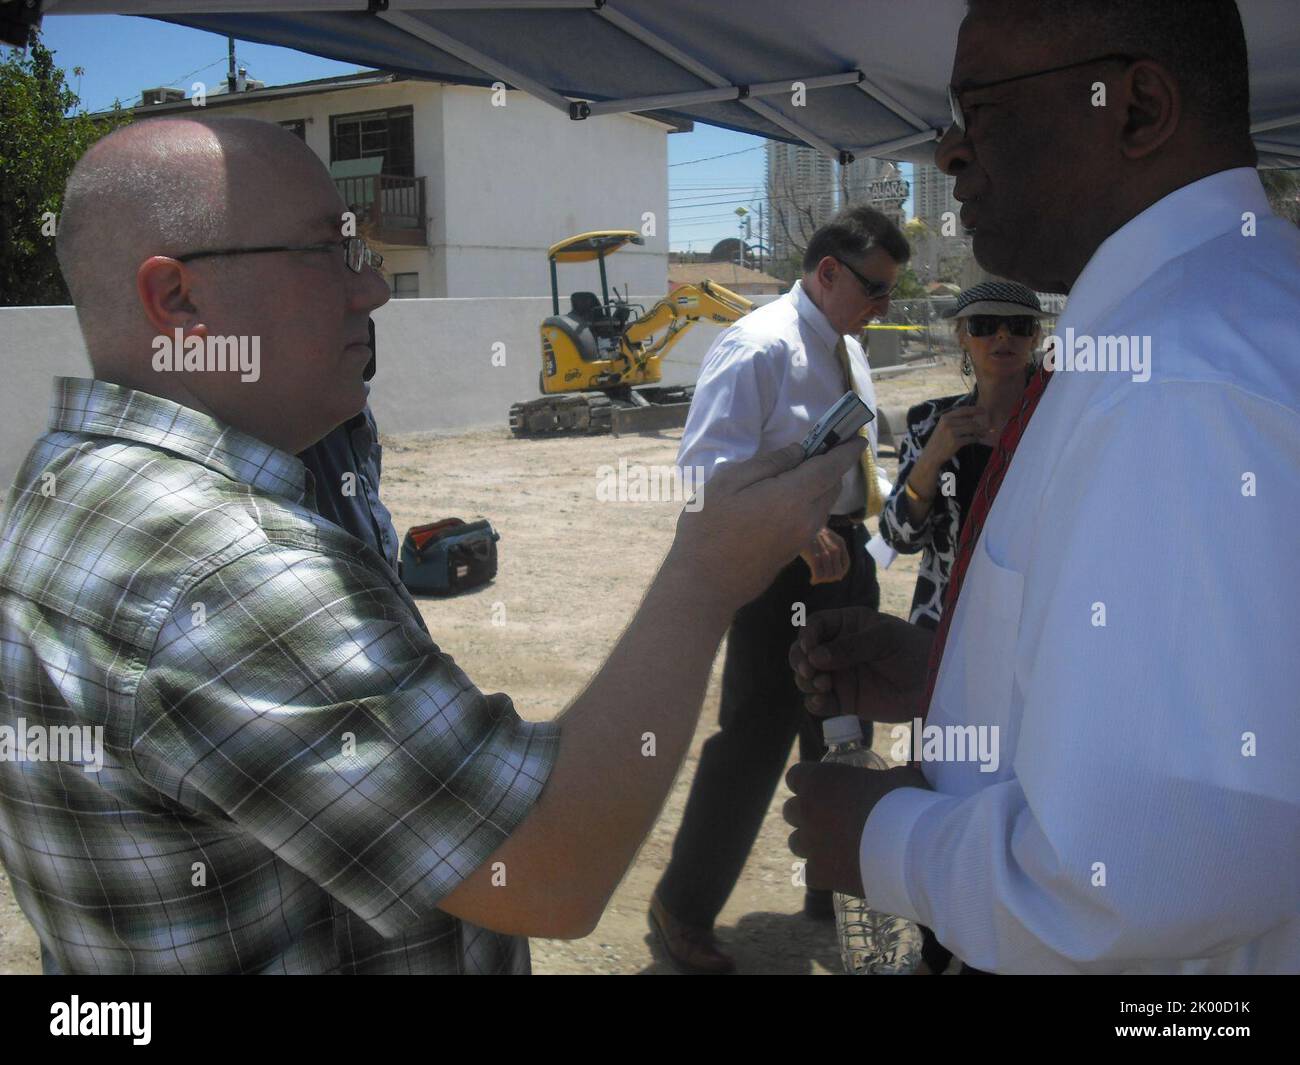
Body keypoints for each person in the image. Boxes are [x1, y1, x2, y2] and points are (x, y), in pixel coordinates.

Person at [0, 115, 865, 974]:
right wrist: (708, 574)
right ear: (179, 300)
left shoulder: (71, 490)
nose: (372, 289)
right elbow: (548, 869)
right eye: (329, 253)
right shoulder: (231, 569)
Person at [784, 0, 1300, 973]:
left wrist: (884, 840)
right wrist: (947, 674)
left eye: (979, 108)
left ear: (1137, 108)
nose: (947, 151)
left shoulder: (1180, 383)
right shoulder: (1191, 328)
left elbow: (1137, 873)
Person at [649, 207, 906, 973]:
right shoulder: (759, 346)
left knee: (845, 733)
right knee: (755, 741)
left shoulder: (846, 348)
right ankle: (682, 908)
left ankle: (835, 884)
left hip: (845, 562)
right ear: (826, 271)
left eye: (891, 292)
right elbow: (704, 472)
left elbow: (850, 455)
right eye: (874, 288)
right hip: (781, 572)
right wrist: (794, 530)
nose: (882, 306)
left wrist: (876, 530)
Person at [880, 281, 1046, 630]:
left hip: (1038, 622)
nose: (1002, 337)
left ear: (1035, 336)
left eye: (1018, 326)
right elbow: (899, 538)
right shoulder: (929, 423)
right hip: (950, 624)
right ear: (962, 335)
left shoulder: (1061, 422)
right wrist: (930, 460)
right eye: (984, 325)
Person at [297, 318, 402, 573]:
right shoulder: (286, 419)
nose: (378, 292)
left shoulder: (355, 406)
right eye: (337, 275)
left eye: (375, 274)